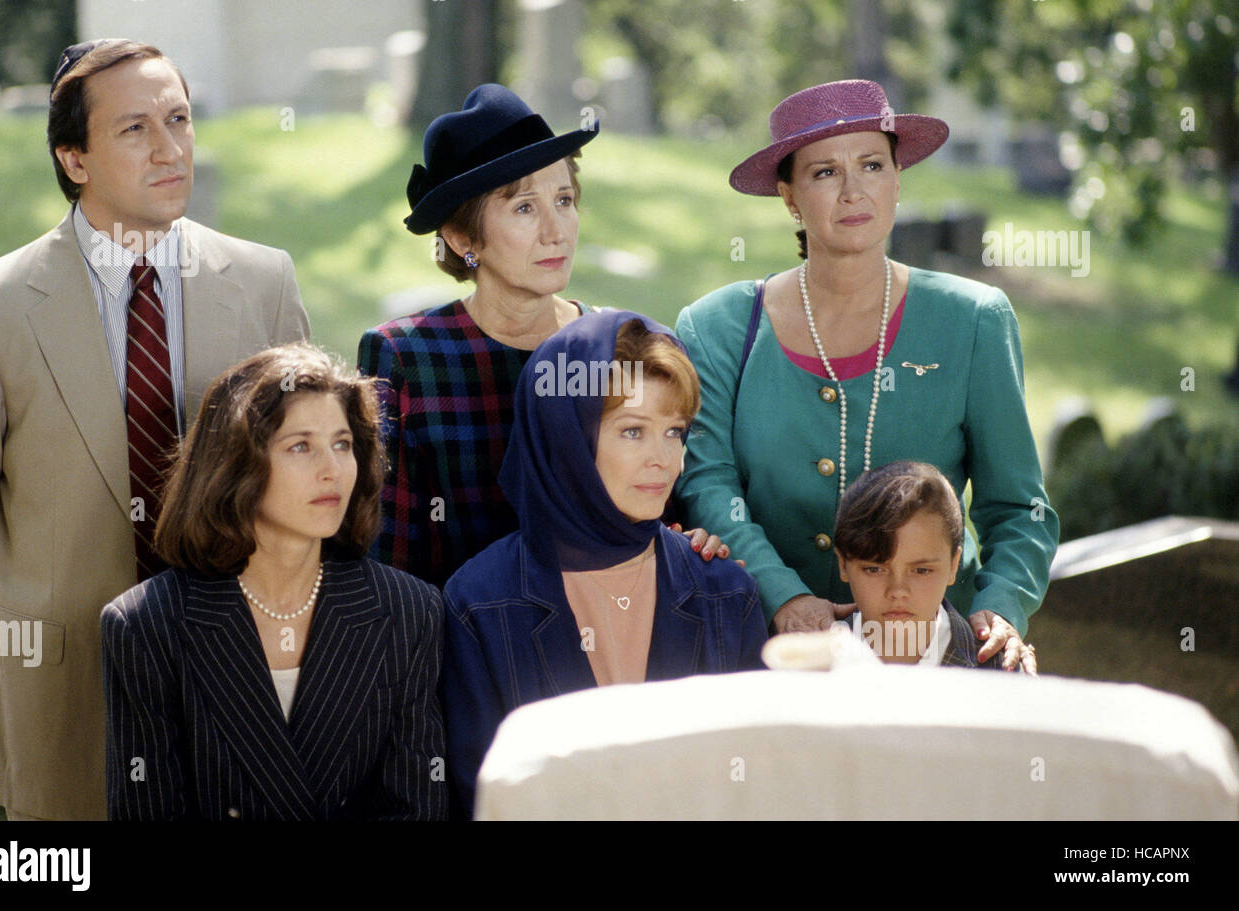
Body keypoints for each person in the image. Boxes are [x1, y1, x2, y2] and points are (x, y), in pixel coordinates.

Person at [0, 39, 309, 820]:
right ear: (74, 158)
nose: (171, 148)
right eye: (135, 129)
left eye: (178, 119)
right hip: (62, 685)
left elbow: (299, 473)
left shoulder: (264, 281)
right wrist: (33, 623)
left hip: (233, 674)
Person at [675, 79, 1056, 673]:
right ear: (789, 196)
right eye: (825, 173)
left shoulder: (973, 320)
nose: (854, 191)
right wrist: (785, 596)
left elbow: (1018, 506)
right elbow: (708, 488)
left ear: (897, 179)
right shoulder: (716, 327)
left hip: (933, 661)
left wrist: (1002, 607)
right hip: (769, 653)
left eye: (872, 165)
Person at [359, 83, 727, 591]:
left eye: (565, 199)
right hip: (459, 645)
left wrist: (697, 544)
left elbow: (669, 519)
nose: (558, 230)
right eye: (524, 208)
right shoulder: (406, 356)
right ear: (462, 237)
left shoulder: (627, 345)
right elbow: (386, 563)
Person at [442, 310, 769, 816]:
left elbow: (757, 786)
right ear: (565, 439)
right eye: (633, 431)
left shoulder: (725, 590)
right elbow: (479, 797)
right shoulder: (478, 603)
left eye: (675, 432)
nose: (663, 459)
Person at [102, 344, 447, 820]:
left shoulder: (410, 611)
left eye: (343, 444)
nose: (332, 470)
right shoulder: (146, 624)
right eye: (300, 446)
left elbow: (416, 808)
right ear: (237, 462)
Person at [834, 461, 1014, 668]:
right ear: (843, 564)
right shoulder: (804, 671)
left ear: (954, 565)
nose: (898, 590)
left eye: (921, 570)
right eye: (874, 569)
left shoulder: (1002, 671)